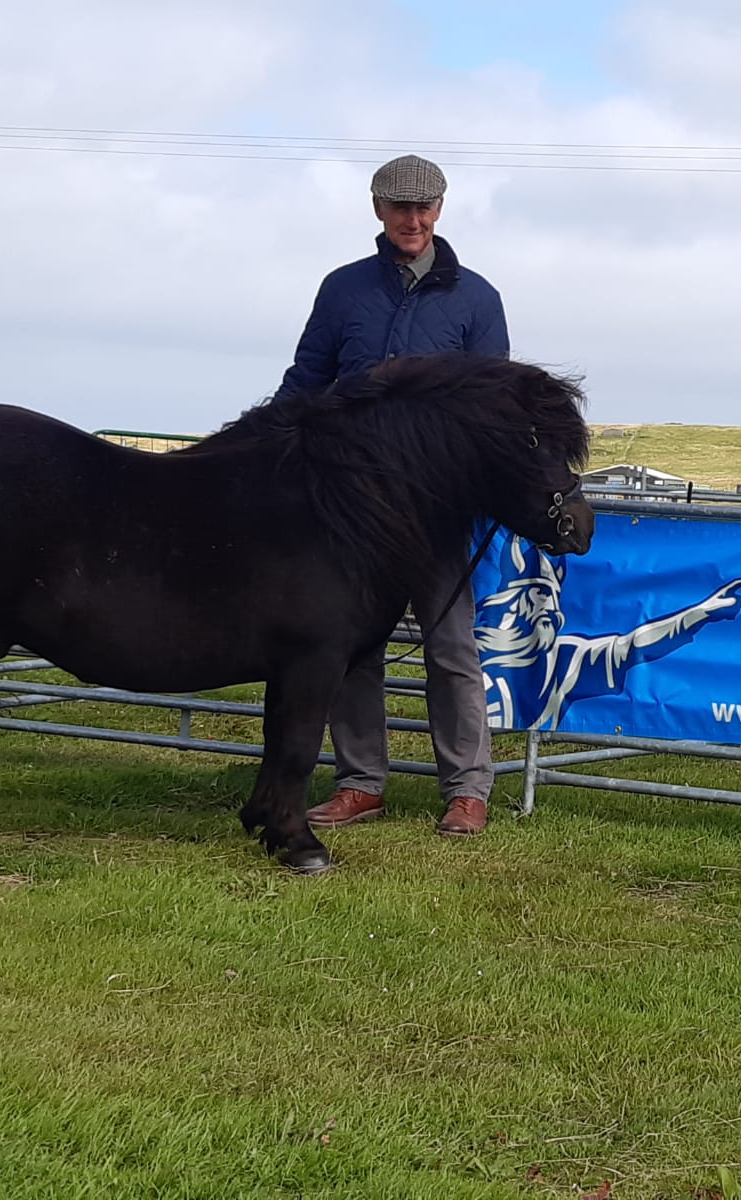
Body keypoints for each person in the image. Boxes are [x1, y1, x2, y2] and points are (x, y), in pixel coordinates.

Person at [272, 154, 508, 837]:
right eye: (401, 207)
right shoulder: (342, 290)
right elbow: (306, 381)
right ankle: (360, 784)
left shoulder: (477, 299)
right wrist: (256, 443)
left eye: (424, 207)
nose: (413, 219)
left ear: (440, 209)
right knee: (351, 648)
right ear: (378, 209)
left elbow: (494, 404)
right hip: (350, 509)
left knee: (452, 650)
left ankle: (467, 790)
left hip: (436, 511)